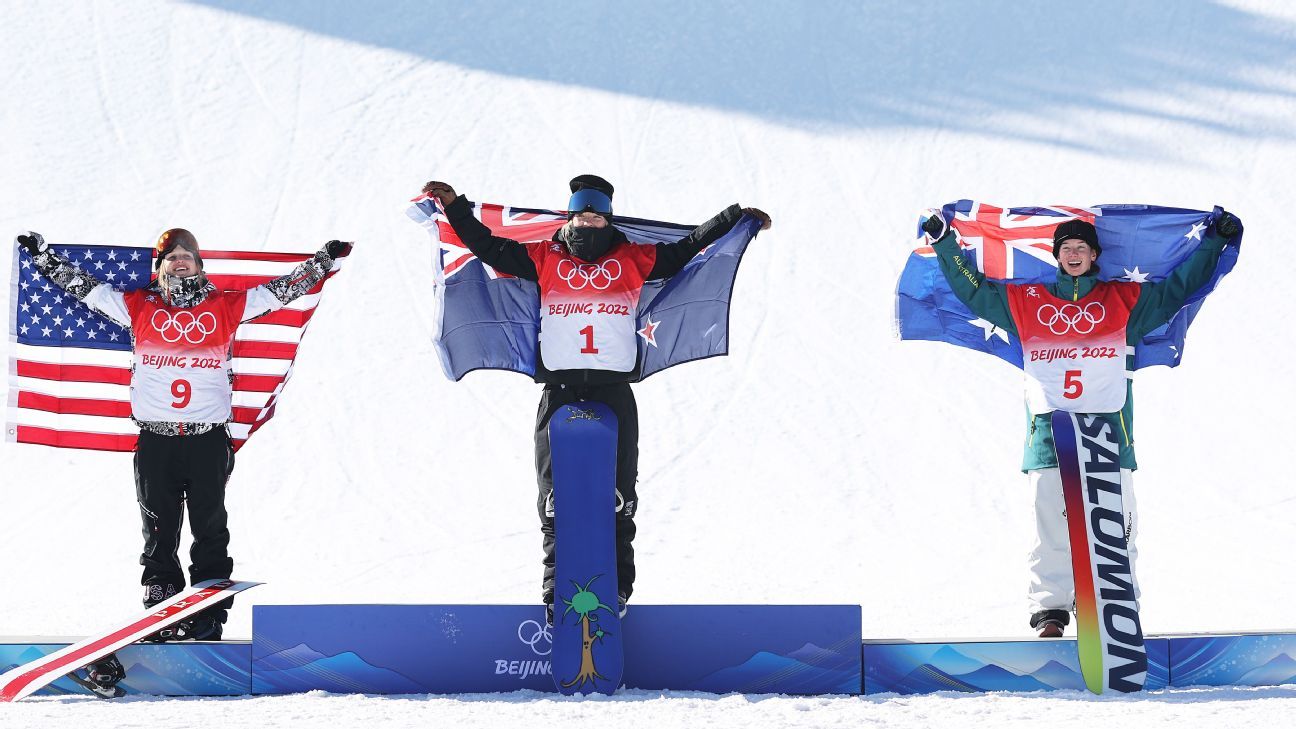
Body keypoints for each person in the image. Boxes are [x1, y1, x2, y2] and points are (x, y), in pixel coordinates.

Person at [421, 175, 770, 624]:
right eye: (582, 215)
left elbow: (688, 248)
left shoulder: (635, 258)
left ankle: (618, 589)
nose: (590, 223)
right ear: (570, 217)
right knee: (553, 498)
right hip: (559, 387)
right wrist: (454, 207)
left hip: (613, 388)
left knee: (620, 496)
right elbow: (486, 246)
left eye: (598, 215)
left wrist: (734, 219)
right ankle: (554, 591)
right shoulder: (543, 256)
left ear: (608, 218)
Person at [16, 228, 351, 691]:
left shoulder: (227, 306)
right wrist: (42, 256)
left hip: (207, 439)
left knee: (210, 526)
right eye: (171, 257)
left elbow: (281, 290)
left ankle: (207, 611)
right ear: (160, 266)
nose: (179, 262)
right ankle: (163, 603)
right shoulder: (138, 306)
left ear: (199, 264)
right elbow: (85, 288)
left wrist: (323, 261)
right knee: (158, 527)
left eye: (187, 256)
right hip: (156, 441)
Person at [921, 210, 1238, 637]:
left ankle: (1115, 607)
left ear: (1094, 255)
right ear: (1056, 255)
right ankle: (1050, 612)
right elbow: (974, 294)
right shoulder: (1027, 302)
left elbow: (1177, 290)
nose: (1074, 254)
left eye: (1082, 248)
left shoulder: (1125, 302)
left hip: (1110, 437)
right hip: (1051, 438)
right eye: (1067, 248)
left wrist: (1213, 242)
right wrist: (944, 243)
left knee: (1115, 530)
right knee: (1049, 528)